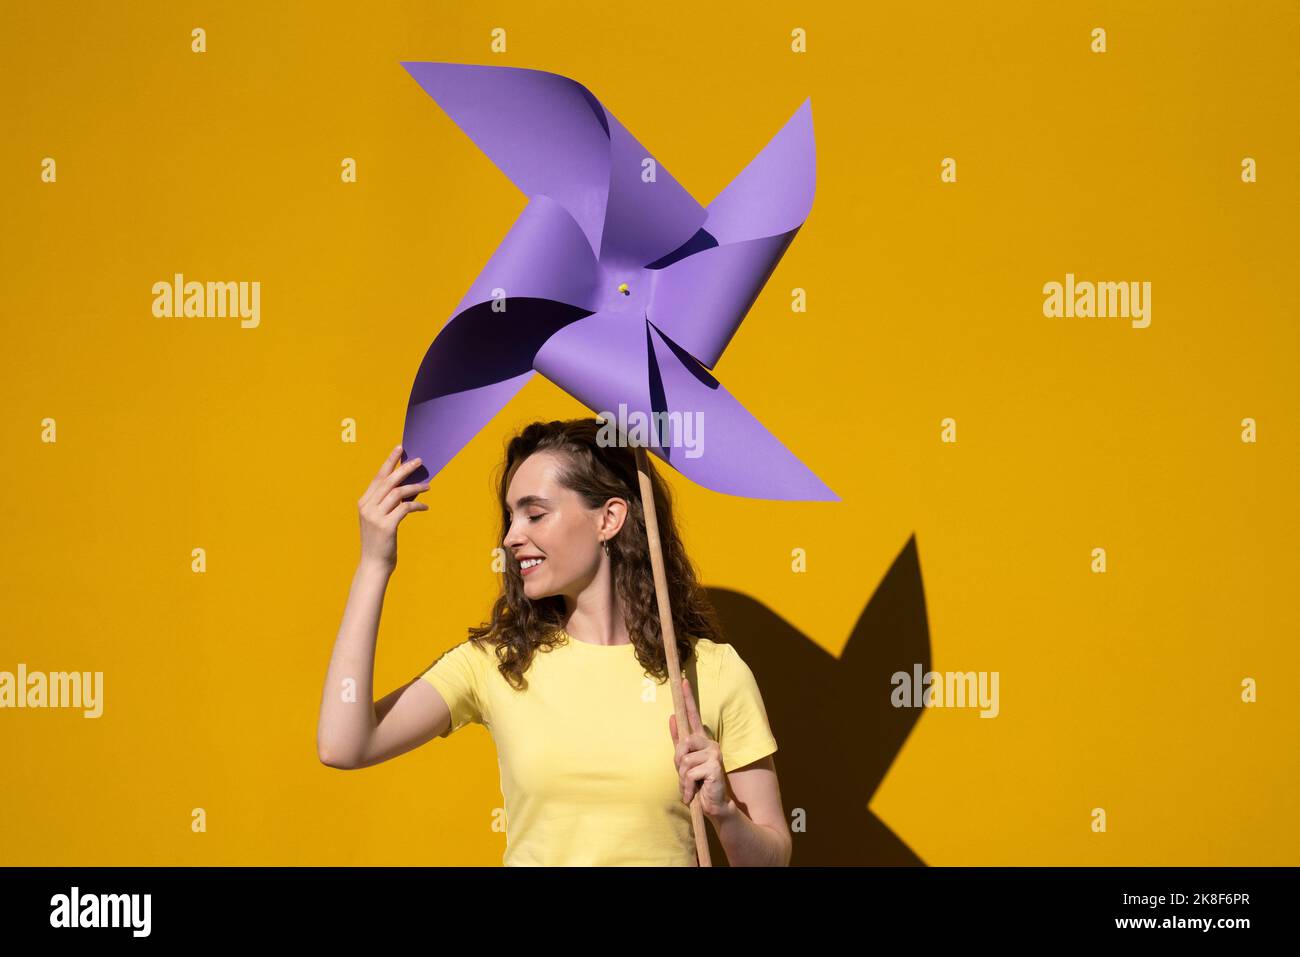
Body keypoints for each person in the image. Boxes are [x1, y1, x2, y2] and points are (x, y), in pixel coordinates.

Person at [316, 418, 791, 866]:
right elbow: (345, 745)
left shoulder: (711, 671)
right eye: (510, 518)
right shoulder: (497, 663)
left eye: (534, 515)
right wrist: (374, 564)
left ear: (609, 518)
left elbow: (773, 857)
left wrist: (724, 811)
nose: (510, 537)